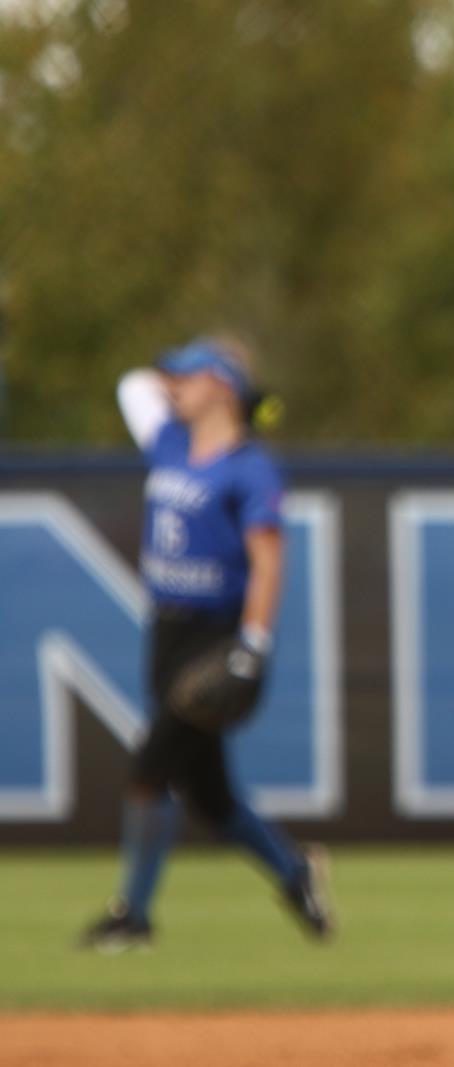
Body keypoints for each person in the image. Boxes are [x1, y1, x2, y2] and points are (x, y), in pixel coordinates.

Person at [79, 335, 333, 952]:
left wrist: (254, 644)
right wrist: (210, 359)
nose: (173, 388)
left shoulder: (250, 467)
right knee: (211, 799)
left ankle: (132, 916)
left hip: (218, 639)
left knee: (150, 767)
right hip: (166, 631)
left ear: (219, 387)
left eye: (187, 379)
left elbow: (268, 561)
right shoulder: (170, 441)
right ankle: (295, 872)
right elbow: (132, 384)